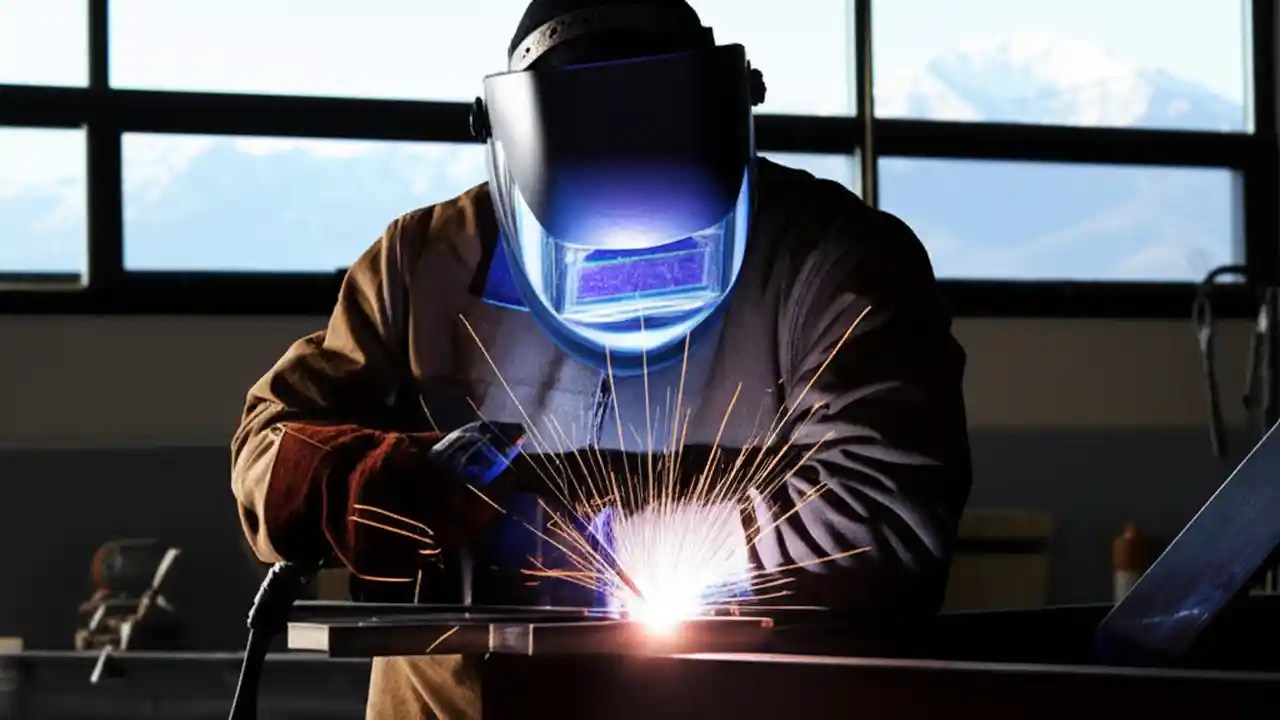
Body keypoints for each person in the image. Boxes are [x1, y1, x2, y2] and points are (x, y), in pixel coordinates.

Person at [230, 0, 972, 717]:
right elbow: (269, 447)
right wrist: (347, 483)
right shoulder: (424, 262)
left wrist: (605, 548)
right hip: (456, 706)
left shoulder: (834, 262)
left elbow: (887, 519)